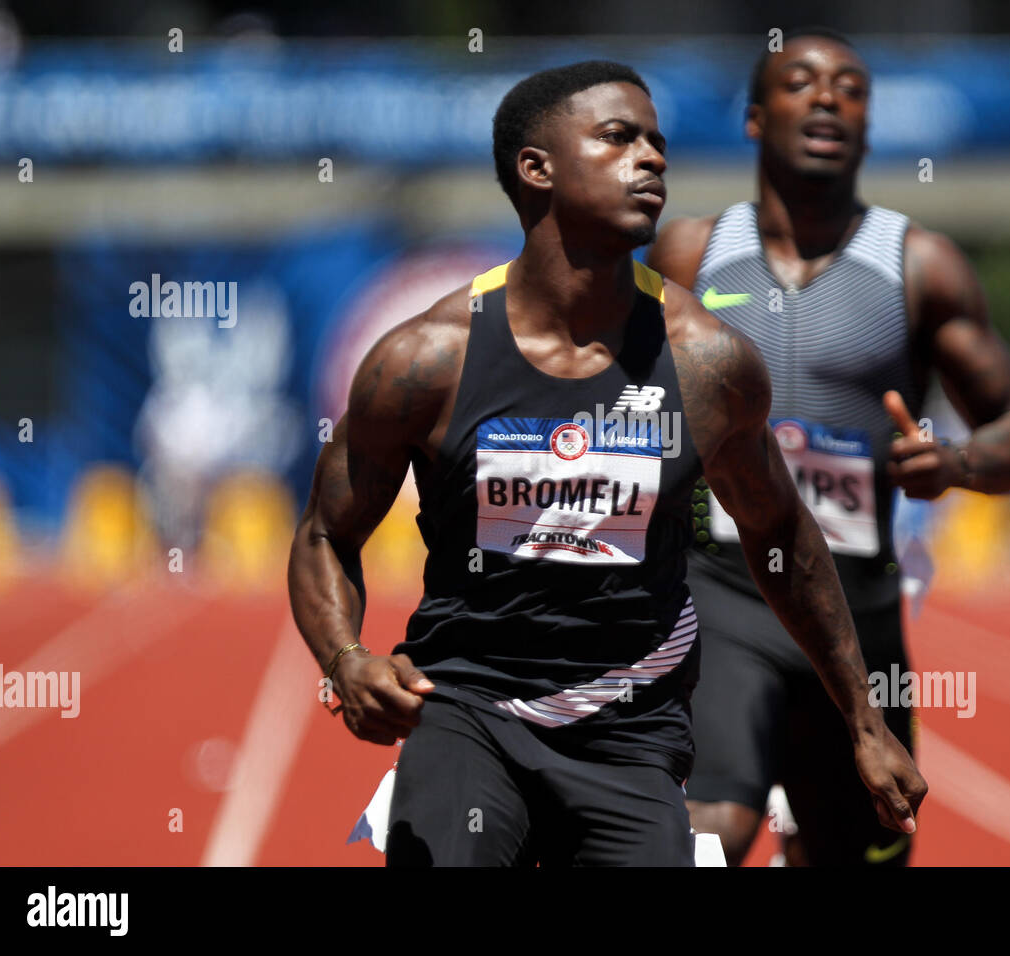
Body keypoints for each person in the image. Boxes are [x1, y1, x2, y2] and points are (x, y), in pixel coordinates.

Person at [287, 60, 926, 867]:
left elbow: (786, 540)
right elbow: (323, 535)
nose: (652, 157)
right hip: (469, 708)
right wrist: (346, 659)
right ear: (536, 166)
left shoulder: (708, 364)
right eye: (618, 137)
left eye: (657, 142)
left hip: (631, 727)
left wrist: (864, 725)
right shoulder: (426, 361)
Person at [648, 29, 1010, 866]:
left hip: (857, 613)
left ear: (867, 127)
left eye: (851, 88)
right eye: (801, 82)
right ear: (756, 117)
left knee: (860, 851)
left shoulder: (921, 266)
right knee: (715, 822)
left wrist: (958, 463)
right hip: (722, 592)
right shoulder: (690, 252)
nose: (828, 98)